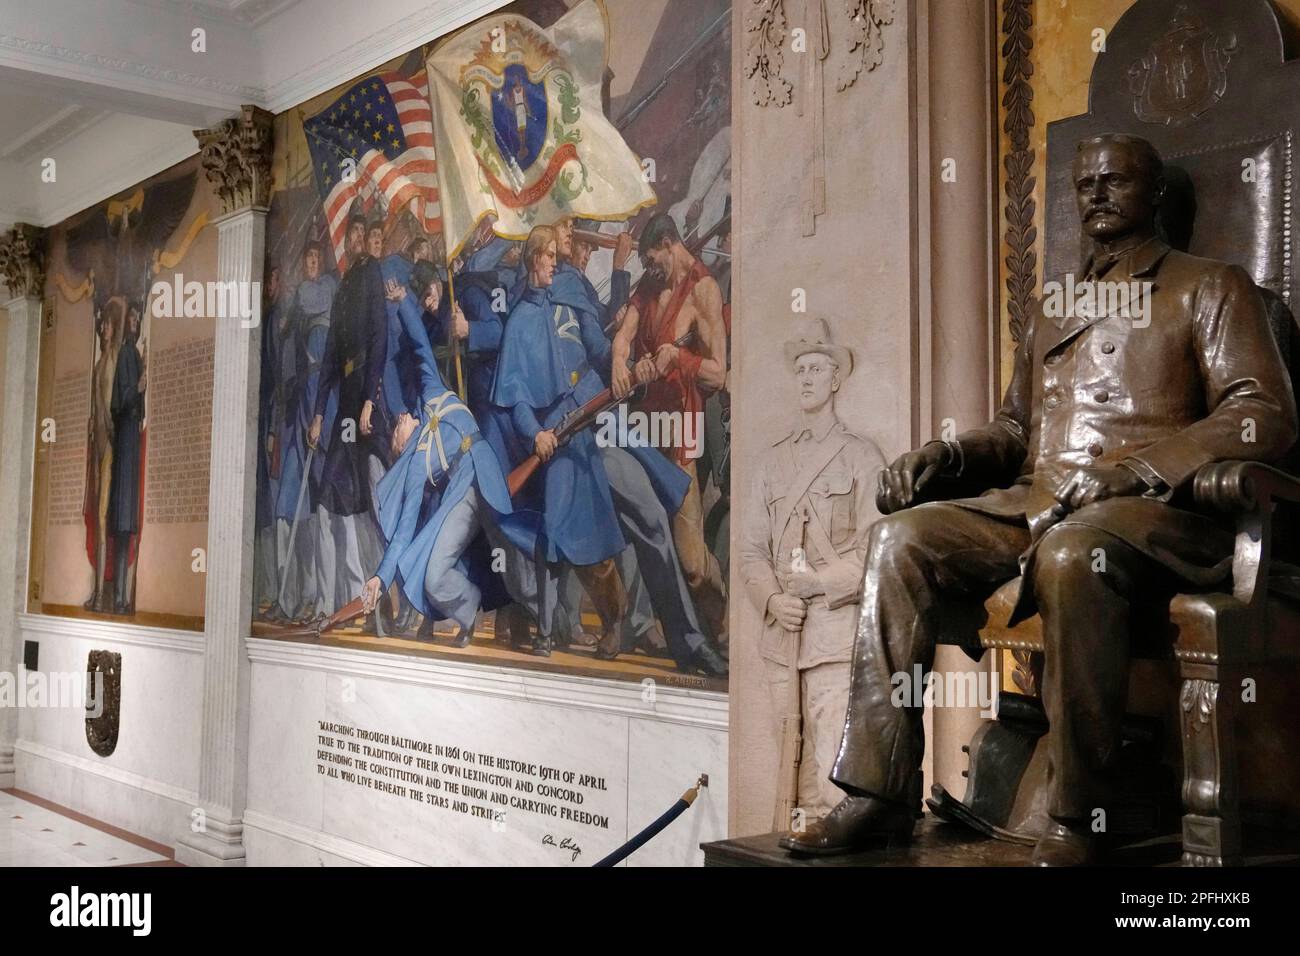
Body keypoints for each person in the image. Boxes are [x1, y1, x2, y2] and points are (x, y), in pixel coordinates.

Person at [781, 134, 1299, 865]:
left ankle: (1078, 812)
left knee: (1071, 552)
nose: (1094, 193)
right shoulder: (1055, 305)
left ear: (1153, 195)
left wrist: (1139, 470)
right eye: (1085, 182)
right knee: (898, 540)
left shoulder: (1208, 286)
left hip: (1159, 517)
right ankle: (878, 791)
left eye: (1114, 180)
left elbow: (1263, 412)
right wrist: (949, 454)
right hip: (1038, 502)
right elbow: (1018, 428)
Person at [492, 226, 727, 676]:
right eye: (546, 256)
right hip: (561, 441)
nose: (554, 262)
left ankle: (691, 644)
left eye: (553, 256)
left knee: (653, 519)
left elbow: (600, 350)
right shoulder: (518, 321)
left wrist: (624, 357)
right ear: (531, 260)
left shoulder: (569, 295)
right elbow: (516, 394)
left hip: (602, 424)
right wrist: (535, 433)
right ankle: (572, 625)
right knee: (569, 541)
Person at [739, 318, 885, 822]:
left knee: (831, 773)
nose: (806, 377)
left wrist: (819, 584)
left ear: (835, 378)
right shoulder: (771, 464)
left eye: (816, 367)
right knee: (789, 772)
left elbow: (876, 548)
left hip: (832, 638)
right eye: (800, 368)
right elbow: (751, 550)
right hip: (783, 638)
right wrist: (772, 600)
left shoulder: (862, 458)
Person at [360, 274, 547, 648]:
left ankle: (544, 617)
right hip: (461, 496)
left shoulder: (430, 391)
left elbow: (418, 345)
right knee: (432, 576)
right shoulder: (414, 468)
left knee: (510, 552)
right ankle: (468, 608)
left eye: (396, 420)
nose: (397, 422)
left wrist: (404, 299)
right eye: (395, 433)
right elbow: (400, 535)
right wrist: (380, 578)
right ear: (399, 447)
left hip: (485, 471)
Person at [612, 213, 730, 650]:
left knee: (694, 564)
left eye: (651, 258)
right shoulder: (647, 286)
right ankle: (656, 628)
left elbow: (719, 373)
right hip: (643, 431)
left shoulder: (704, 290)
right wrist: (622, 365)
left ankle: (723, 611)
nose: (649, 268)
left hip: (680, 433)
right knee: (638, 534)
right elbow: (622, 337)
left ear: (668, 243)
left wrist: (678, 360)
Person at [307, 212, 388, 618]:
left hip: (366, 407)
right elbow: (328, 363)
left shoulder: (372, 272)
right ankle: (330, 603)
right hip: (343, 411)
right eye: (353, 233)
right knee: (328, 504)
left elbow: (380, 336)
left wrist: (371, 398)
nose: (358, 238)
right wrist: (319, 413)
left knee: (373, 501)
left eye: (362, 231)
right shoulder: (342, 289)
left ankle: (377, 596)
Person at [107, 301, 147, 613]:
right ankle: (118, 596)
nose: (134, 321)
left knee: (127, 521)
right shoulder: (125, 354)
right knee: (121, 522)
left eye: (137, 317)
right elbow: (119, 401)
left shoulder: (134, 354)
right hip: (125, 440)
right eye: (131, 317)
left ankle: (123, 596)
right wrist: (139, 386)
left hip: (133, 436)